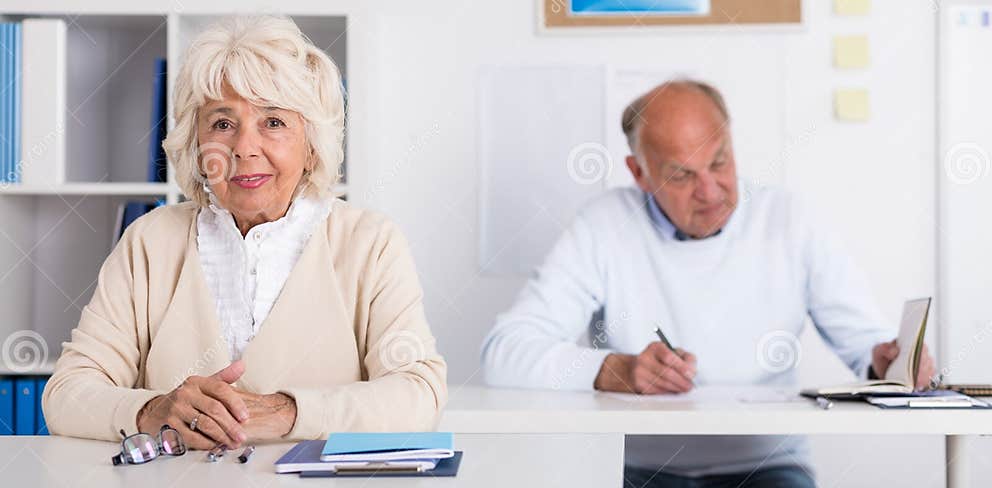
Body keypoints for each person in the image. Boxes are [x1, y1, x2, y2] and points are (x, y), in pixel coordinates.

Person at [481, 79, 934, 487]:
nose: (711, 191)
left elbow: (867, 348)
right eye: (681, 175)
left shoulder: (789, 219)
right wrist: (616, 370)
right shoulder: (605, 224)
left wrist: (890, 365)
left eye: (720, 162)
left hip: (769, 467)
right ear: (639, 173)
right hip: (639, 470)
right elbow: (505, 352)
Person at [42, 16, 446, 450]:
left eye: (273, 122)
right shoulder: (149, 242)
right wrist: (152, 411)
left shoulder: (371, 243)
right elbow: (67, 394)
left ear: (312, 145)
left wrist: (287, 412)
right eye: (222, 124)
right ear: (196, 144)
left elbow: (418, 394)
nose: (244, 148)